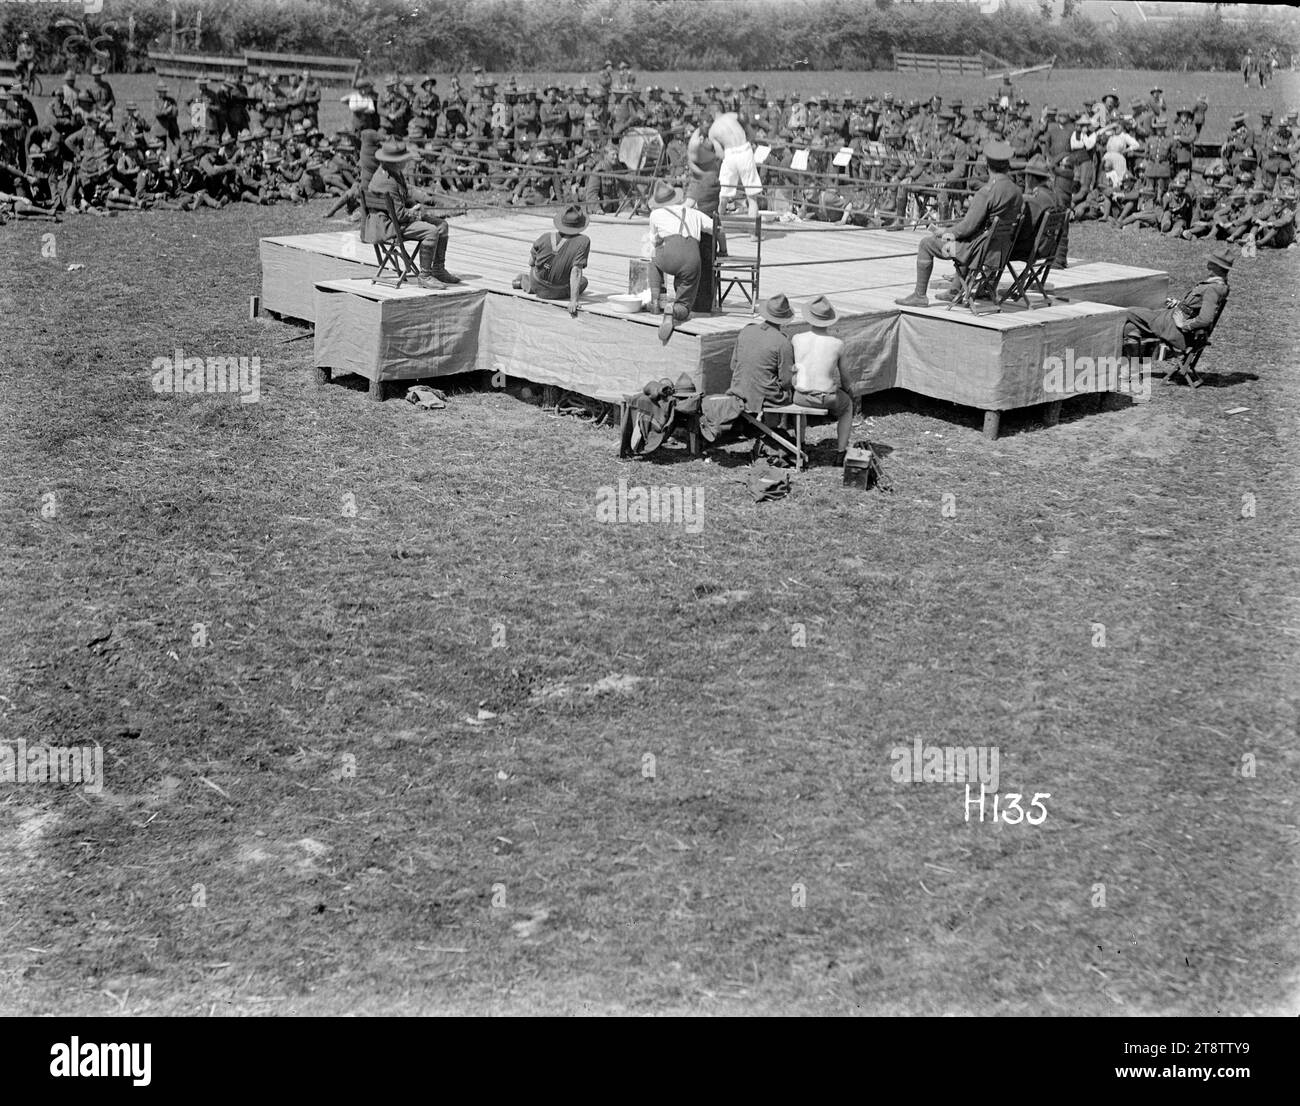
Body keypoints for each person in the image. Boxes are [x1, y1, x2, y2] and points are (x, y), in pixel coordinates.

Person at [895, 139, 1023, 308]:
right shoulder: (1016, 191)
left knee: (926, 244)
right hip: (998, 250)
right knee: (964, 242)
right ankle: (955, 290)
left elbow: (966, 228)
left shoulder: (986, 192)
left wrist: (945, 232)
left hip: (977, 252)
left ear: (986, 164)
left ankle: (919, 295)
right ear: (1007, 165)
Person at [365, 138, 461, 287]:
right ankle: (425, 276)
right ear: (396, 161)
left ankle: (438, 269)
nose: (407, 161)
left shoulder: (391, 171)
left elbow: (405, 192)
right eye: (404, 159)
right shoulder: (386, 181)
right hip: (388, 227)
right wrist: (419, 214)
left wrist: (426, 199)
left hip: (394, 220)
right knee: (431, 231)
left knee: (442, 225)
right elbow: (401, 215)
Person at [1122, 246, 1231, 359]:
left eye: (1210, 262)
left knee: (1128, 312)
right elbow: (1196, 308)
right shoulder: (1219, 286)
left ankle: (1139, 364)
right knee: (1130, 328)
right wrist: (1179, 304)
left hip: (1174, 328)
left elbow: (1205, 319)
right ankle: (1134, 373)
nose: (1207, 265)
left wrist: (1183, 325)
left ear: (1216, 266)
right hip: (1171, 319)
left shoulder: (1213, 289)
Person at [644, 178, 711, 344]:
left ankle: (654, 300)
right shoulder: (694, 213)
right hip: (691, 258)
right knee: (685, 304)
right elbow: (715, 227)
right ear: (676, 197)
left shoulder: (655, 214)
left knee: (653, 260)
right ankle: (674, 310)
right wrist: (722, 248)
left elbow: (653, 241)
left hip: (668, 256)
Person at [790, 296, 854, 465]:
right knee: (847, 407)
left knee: (800, 408)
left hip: (801, 396)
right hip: (826, 397)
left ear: (809, 317)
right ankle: (840, 453)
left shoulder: (797, 338)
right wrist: (849, 391)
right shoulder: (837, 344)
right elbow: (845, 379)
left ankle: (801, 444)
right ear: (829, 321)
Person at [512, 204, 590, 317]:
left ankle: (525, 283)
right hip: (559, 291)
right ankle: (526, 282)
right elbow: (576, 271)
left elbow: (531, 262)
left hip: (537, 285)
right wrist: (573, 301)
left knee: (534, 274)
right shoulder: (583, 241)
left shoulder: (545, 237)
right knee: (584, 281)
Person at [728, 292, 795, 414]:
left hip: (738, 391)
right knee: (790, 393)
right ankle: (779, 426)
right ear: (784, 319)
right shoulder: (783, 342)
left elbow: (733, 366)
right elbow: (786, 382)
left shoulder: (746, 331)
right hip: (765, 398)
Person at [708, 108, 762, 218]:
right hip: (745, 150)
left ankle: (719, 224)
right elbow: (748, 127)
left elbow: (720, 154)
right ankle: (753, 233)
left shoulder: (712, 131)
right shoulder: (731, 115)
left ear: (712, 115)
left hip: (730, 154)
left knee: (723, 195)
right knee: (752, 197)